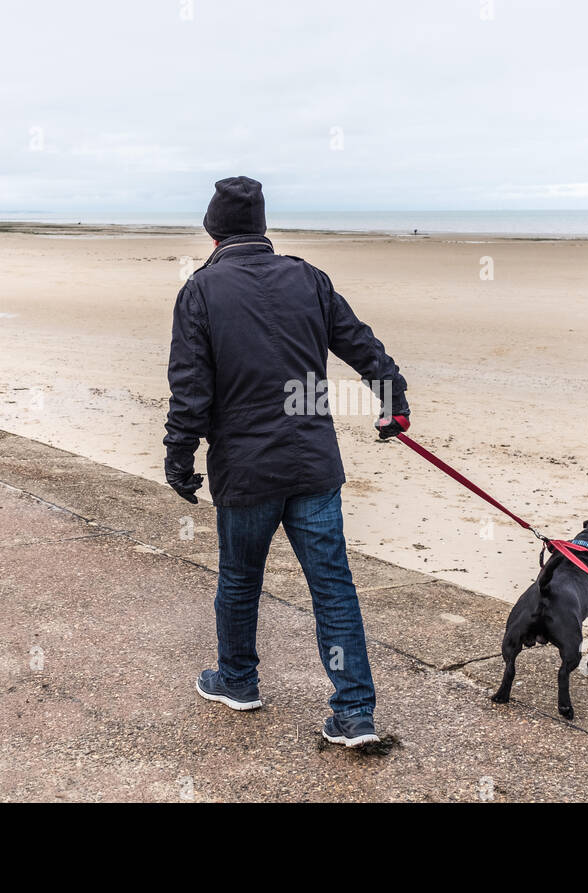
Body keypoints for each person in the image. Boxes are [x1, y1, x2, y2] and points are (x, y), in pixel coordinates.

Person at [164, 176, 410, 747]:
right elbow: (362, 345)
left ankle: (238, 680)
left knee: (240, 580)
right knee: (333, 588)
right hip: (312, 465)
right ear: (262, 225)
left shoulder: (200, 290)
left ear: (212, 226)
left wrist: (179, 452)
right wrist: (393, 401)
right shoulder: (309, 278)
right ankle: (354, 712)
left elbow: (190, 386)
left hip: (247, 468)